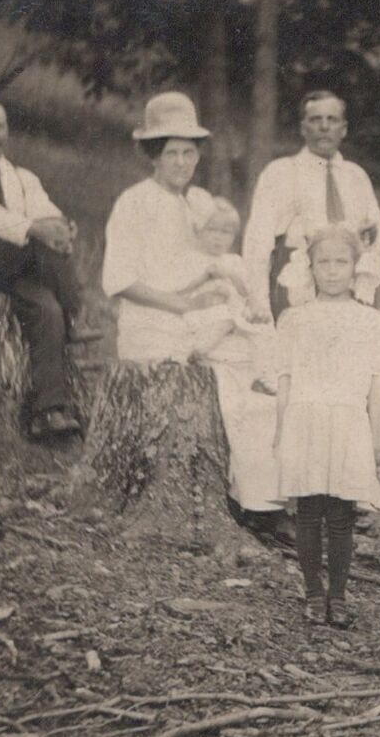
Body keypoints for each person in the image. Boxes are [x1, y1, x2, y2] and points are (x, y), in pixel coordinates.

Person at [102, 92, 289, 547]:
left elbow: (220, 257)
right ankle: (256, 506)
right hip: (154, 323)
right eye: (171, 153)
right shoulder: (135, 202)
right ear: (153, 155)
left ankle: (265, 499)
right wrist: (181, 305)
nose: (182, 162)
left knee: (263, 376)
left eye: (189, 152)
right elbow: (120, 280)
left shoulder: (200, 202)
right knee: (232, 379)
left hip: (199, 320)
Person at [0, 99, 95, 439]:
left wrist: (60, 228)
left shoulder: (23, 177)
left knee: (47, 310)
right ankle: (78, 313)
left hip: (22, 264)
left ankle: (49, 413)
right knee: (37, 239)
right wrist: (40, 231)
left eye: (1, 126)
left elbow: (45, 210)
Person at [274, 224, 380, 629]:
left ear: (355, 266)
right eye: (322, 262)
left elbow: (377, 385)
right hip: (305, 417)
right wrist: (280, 430)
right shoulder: (294, 319)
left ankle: (338, 597)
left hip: (347, 420)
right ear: (309, 267)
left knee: (342, 513)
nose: (332, 271)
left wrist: (376, 435)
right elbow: (285, 377)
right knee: (308, 511)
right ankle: (312, 594)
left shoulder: (370, 320)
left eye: (340, 262)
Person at [242, 90, 380, 321]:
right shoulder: (281, 172)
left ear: (344, 128)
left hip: (349, 280)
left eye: (332, 120)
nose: (324, 127)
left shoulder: (355, 176)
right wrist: (258, 299)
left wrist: (370, 237)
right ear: (303, 128)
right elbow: (257, 242)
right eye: (315, 119)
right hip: (298, 280)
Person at [182, 197, 277, 391]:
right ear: (197, 230)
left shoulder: (233, 261)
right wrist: (206, 278)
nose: (218, 238)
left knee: (261, 330)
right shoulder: (192, 259)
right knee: (225, 319)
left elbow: (245, 291)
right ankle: (199, 351)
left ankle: (263, 377)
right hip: (204, 311)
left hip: (233, 311)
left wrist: (232, 277)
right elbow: (183, 289)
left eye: (226, 233)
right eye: (212, 230)